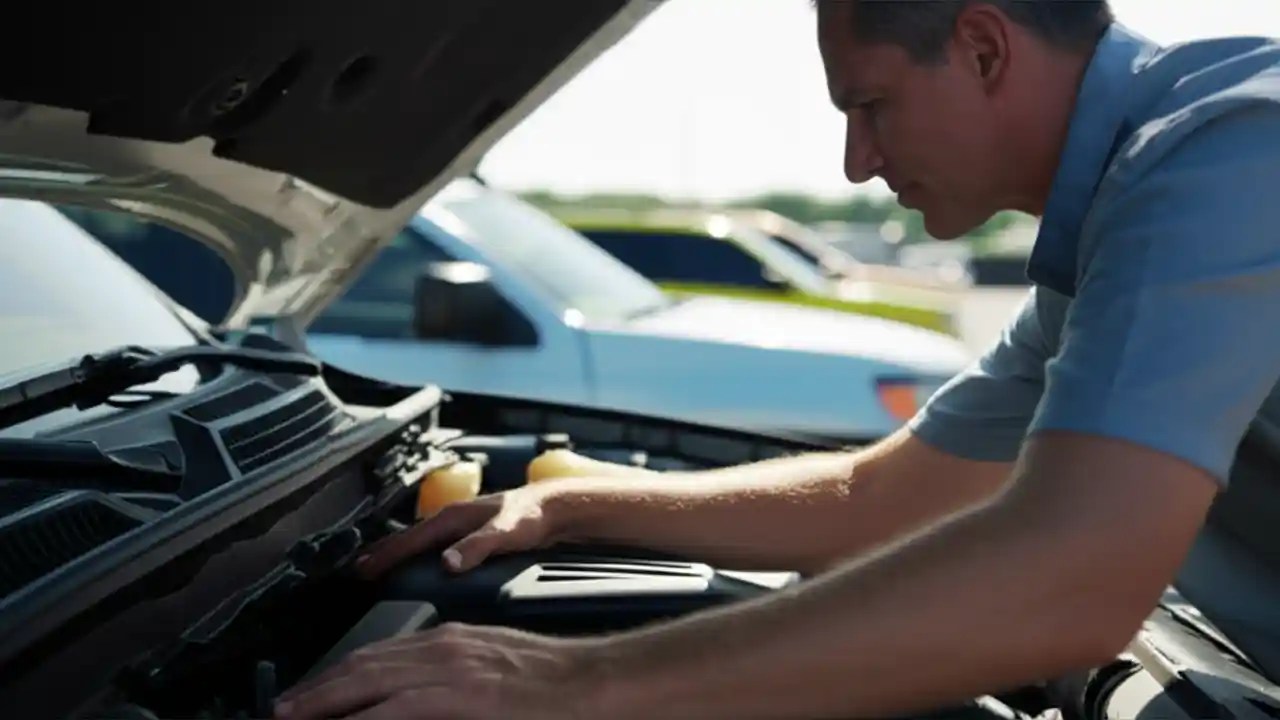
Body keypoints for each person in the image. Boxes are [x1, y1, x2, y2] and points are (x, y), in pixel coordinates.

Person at [275, 1, 1280, 718]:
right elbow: (879, 495)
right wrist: (579, 504)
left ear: (979, 47)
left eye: (870, 104)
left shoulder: (1225, 151)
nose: (855, 161)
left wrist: (564, 683)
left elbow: (1066, 581)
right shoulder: (1119, 225)